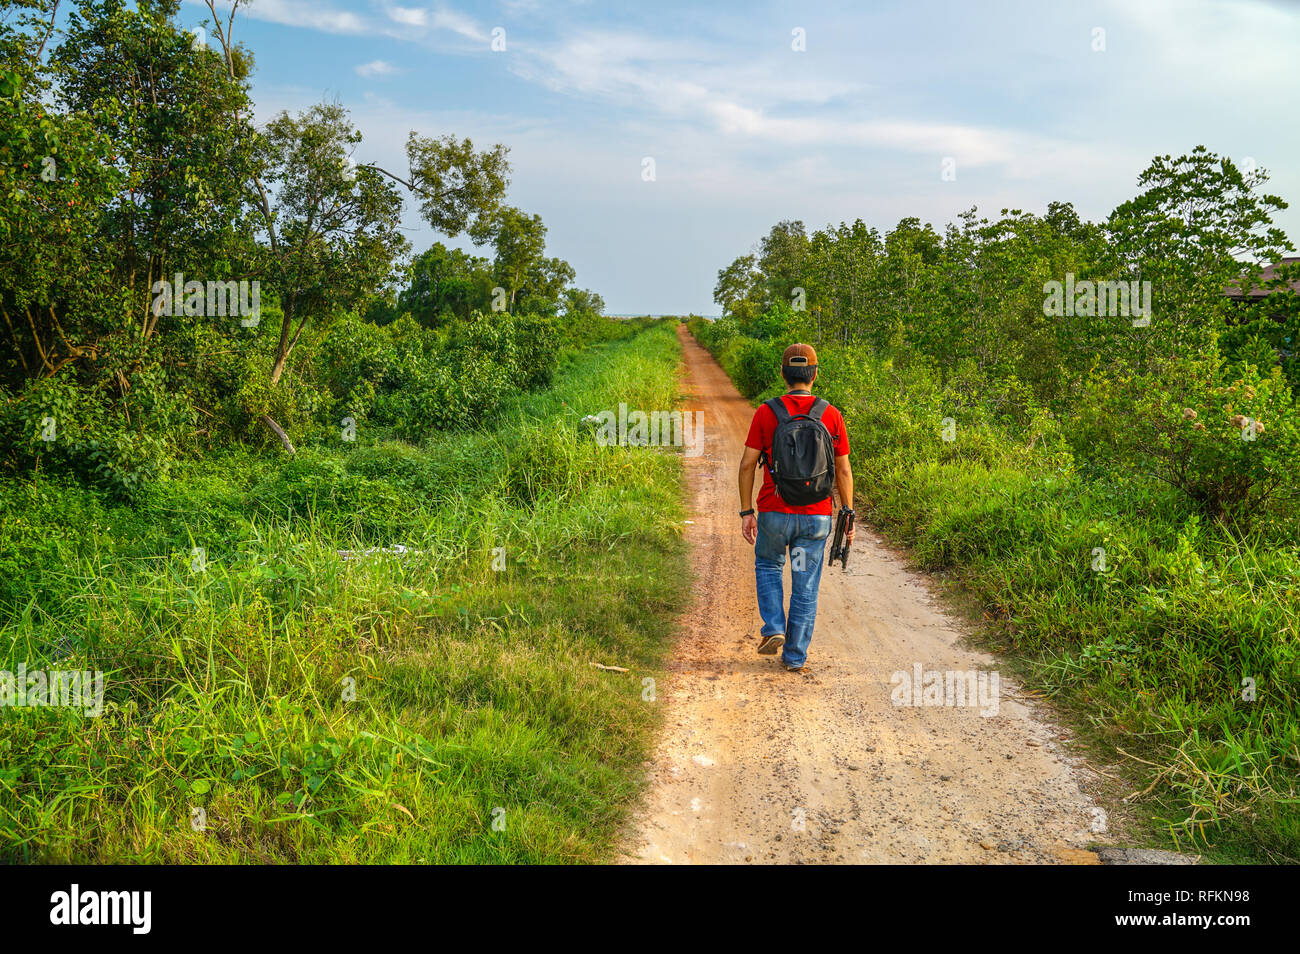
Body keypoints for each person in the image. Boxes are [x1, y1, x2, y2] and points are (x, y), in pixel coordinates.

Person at [737, 343, 854, 673]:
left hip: (775, 513)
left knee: (769, 565)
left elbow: (747, 464)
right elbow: (843, 471)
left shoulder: (766, 412)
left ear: (783, 374)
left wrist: (747, 512)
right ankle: (794, 657)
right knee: (805, 584)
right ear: (815, 375)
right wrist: (847, 514)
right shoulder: (831, 415)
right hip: (815, 518)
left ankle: (774, 626)